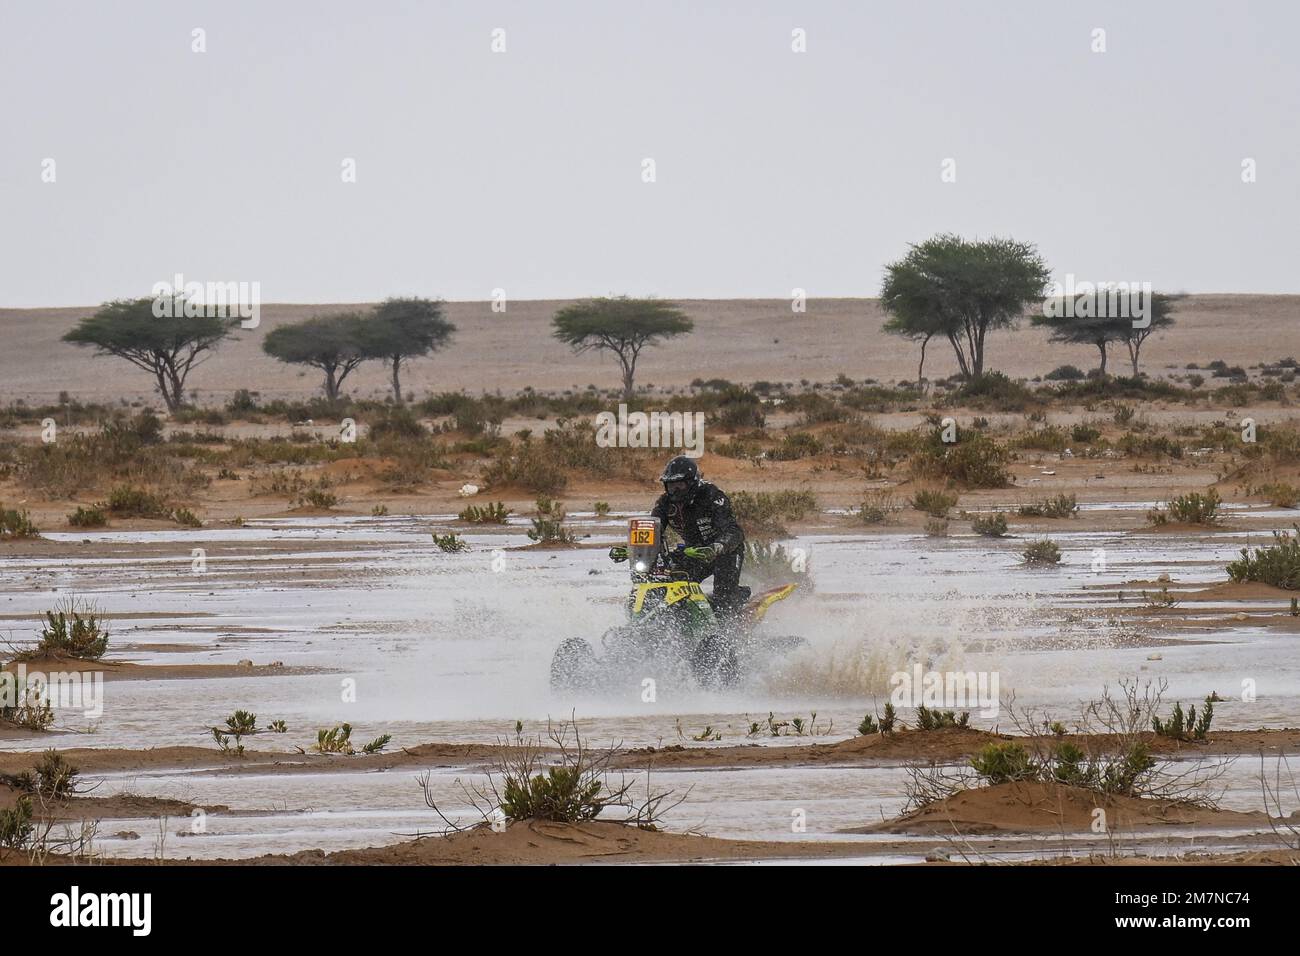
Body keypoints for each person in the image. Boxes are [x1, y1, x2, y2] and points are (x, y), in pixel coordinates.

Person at [611, 455, 750, 615]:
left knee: (724, 601)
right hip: (693, 552)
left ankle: (734, 605)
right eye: (671, 486)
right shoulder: (665, 503)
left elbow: (733, 531)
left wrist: (716, 547)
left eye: (679, 485)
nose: (675, 491)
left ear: (692, 483)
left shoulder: (712, 496)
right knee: (667, 580)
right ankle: (667, 619)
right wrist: (632, 549)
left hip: (725, 552)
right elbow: (652, 530)